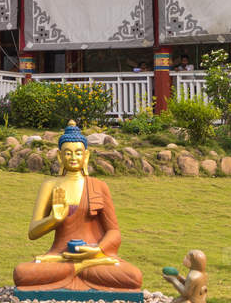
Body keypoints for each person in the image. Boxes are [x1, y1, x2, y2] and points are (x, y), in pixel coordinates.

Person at [12, 122, 143, 293]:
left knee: (133, 276)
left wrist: (97, 250)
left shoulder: (99, 186)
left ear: (86, 156)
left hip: (95, 257)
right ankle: (78, 270)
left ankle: (79, 269)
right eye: (67, 153)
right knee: (22, 273)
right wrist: (54, 219)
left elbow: (114, 232)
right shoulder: (50, 185)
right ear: (59, 156)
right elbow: (33, 232)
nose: (73, 158)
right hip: (60, 257)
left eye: (78, 153)